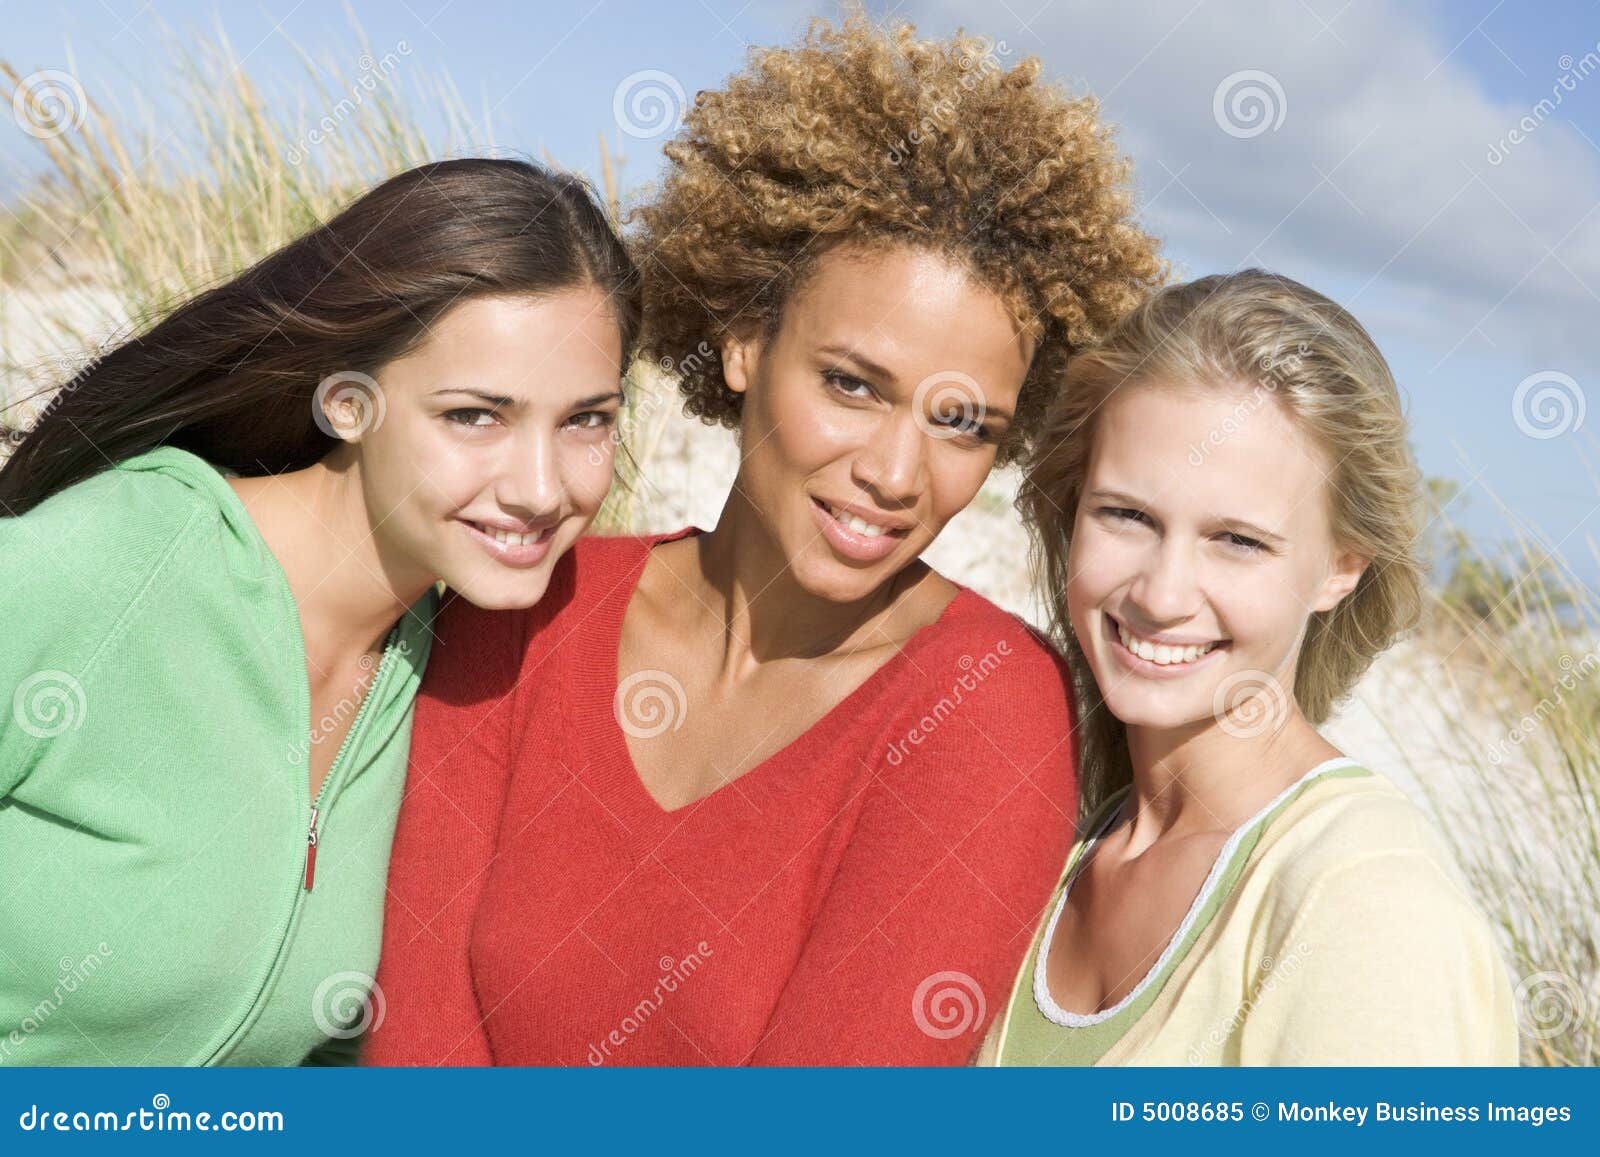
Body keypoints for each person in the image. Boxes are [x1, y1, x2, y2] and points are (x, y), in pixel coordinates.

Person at [367, 14, 1163, 1066]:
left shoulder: (983, 711)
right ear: (744, 338)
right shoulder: (529, 600)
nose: (894, 471)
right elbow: (411, 1029)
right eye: (850, 384)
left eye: (960, 420)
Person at [0, 158, 640, 1065]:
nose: (540, 488)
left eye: (586, 420)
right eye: (474, 416)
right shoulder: (106, 568)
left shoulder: (447, 663)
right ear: (348, 404)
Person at [979, 270, 1518, 1065]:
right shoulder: (1068, 845)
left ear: (1341, 566)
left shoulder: (1365, 904)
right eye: (1126, 514)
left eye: (1237, 540)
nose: (1161, 594)